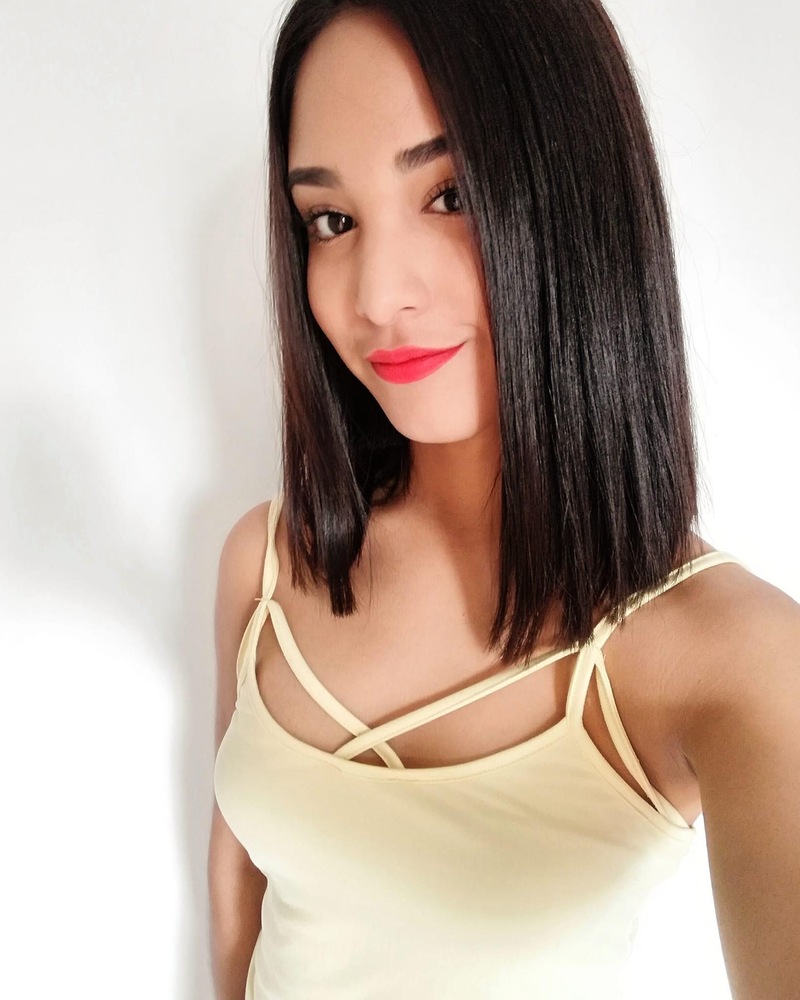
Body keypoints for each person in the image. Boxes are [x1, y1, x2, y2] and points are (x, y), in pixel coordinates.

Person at [207, 2, 800, 998]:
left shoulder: (737, 658)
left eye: (449, 194)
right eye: (331, 220)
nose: (375, 296)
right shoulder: (266, 562)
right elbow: (239, 886)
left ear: (577, 199)